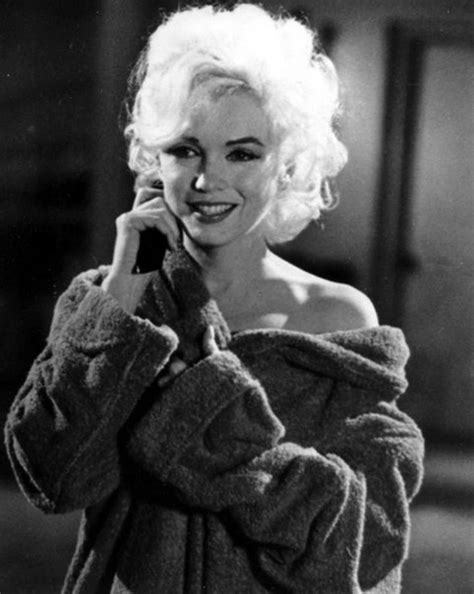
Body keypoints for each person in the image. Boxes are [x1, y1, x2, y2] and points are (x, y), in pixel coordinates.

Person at [5, 4, 424, 593]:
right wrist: (125, 289)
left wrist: (208, 414)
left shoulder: (336, 316)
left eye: (243, 153)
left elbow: (358, 543)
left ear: (286, 165)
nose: (207, 181)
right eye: (185, 149)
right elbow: (51, 479)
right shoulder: (108, 302)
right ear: (153, 159)